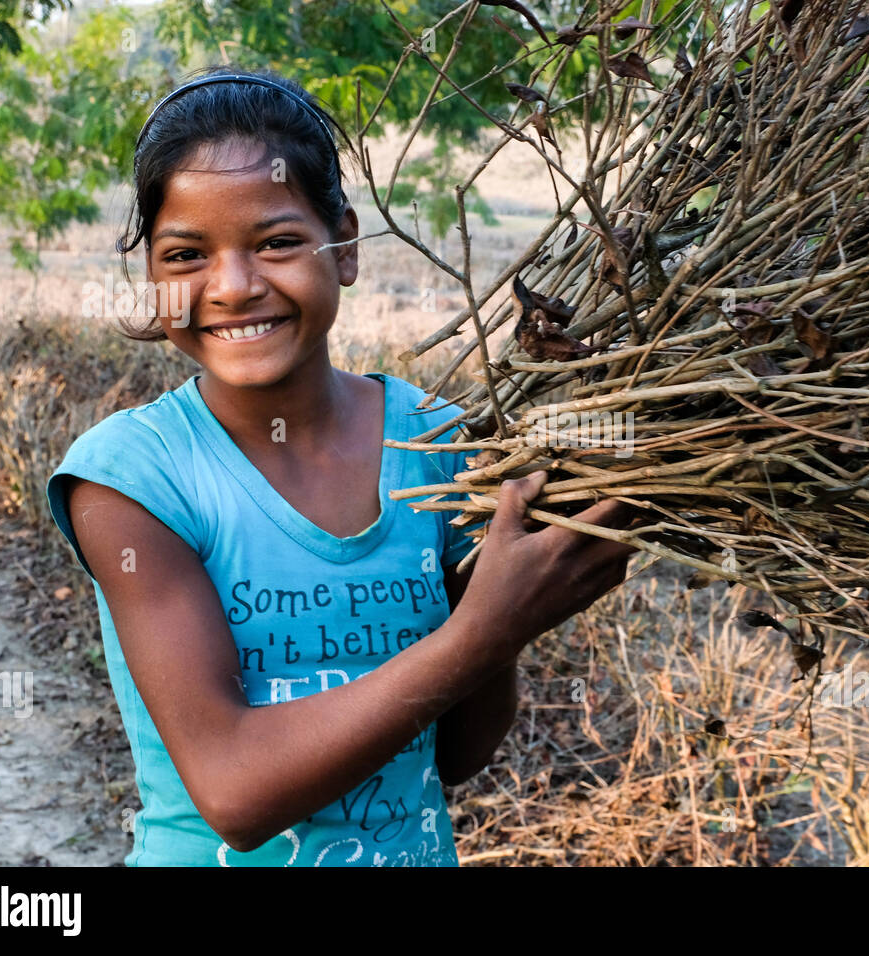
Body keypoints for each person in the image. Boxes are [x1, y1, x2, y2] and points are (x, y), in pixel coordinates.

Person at [46, 67, 634, 866]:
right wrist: (483, 632)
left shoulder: (434, 442)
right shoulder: (132, 478)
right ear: (153, 278)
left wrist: (505, 611)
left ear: (346, 247)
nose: (234, 286)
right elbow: (233, 793)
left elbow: (457, 754)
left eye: (278, 242)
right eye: (186, 254)